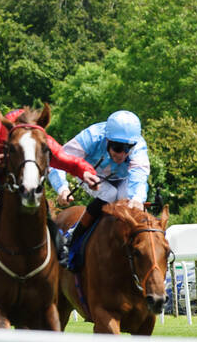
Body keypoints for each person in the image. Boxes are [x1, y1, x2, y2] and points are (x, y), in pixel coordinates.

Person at [0, 109, 99, 265]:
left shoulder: (36, 135)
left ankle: (59, 247)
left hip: (15, 177)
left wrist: (86, 172)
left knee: (38, 196)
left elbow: (67, 160)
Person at [46, 110, 151, 269]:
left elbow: (139, 175)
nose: (122, 154)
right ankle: (73, 237)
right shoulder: (91, 137)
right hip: (91, 175)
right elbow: (57, 162)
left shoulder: (138, 145)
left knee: (128, 198)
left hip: (124, 179)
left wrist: (137, 199)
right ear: (107, 140)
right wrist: (62, 189)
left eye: (127, 148)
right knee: (110, 193)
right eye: (117, 147)